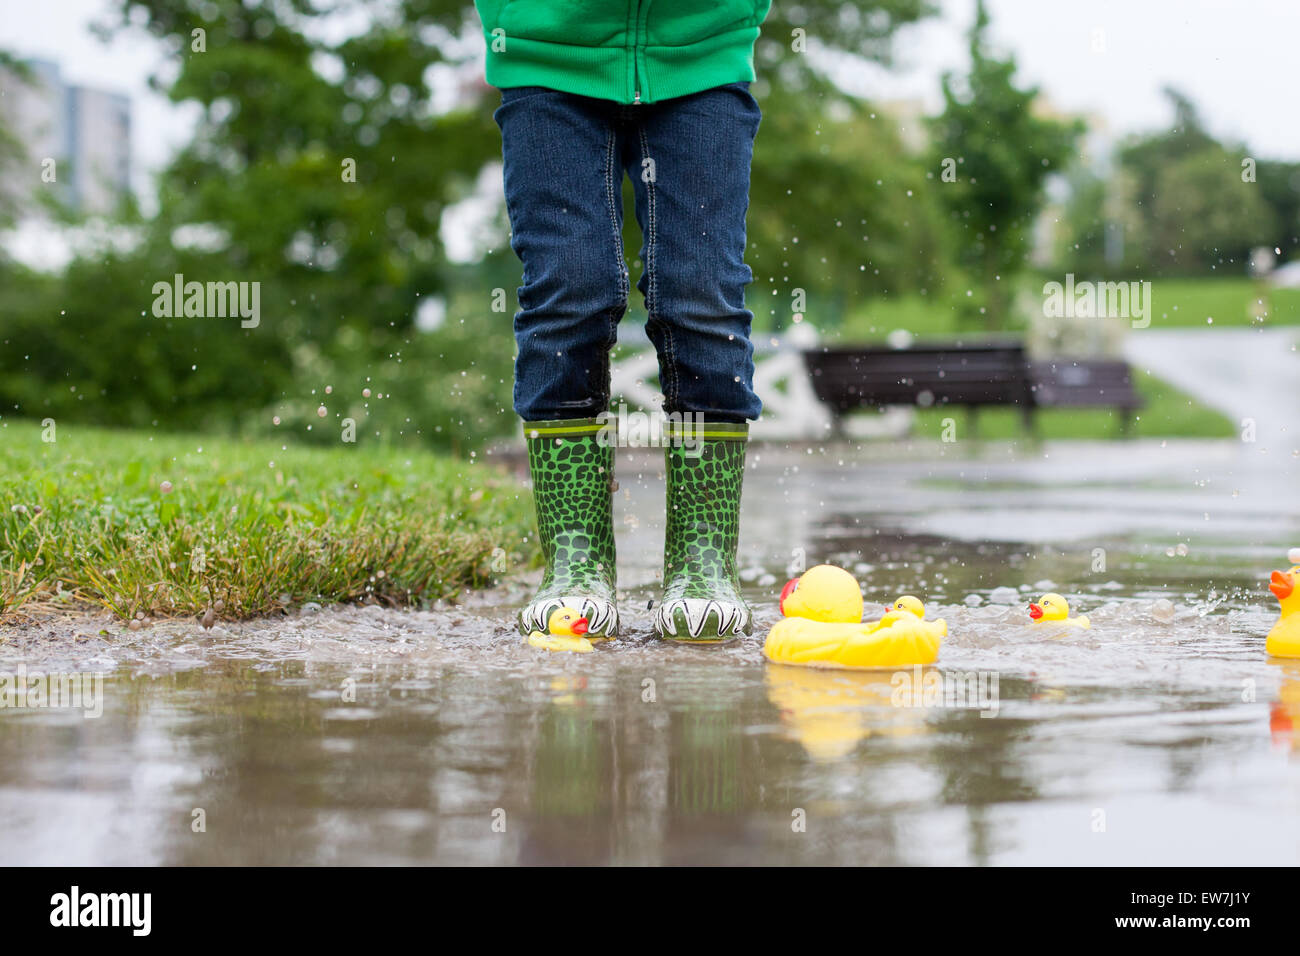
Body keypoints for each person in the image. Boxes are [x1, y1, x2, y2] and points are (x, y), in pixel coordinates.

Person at [475, 1, 772, 641]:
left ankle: (703, 560)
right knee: (568, 288)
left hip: (703, 45)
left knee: (703, 295)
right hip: (545, 46)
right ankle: (575, 561)